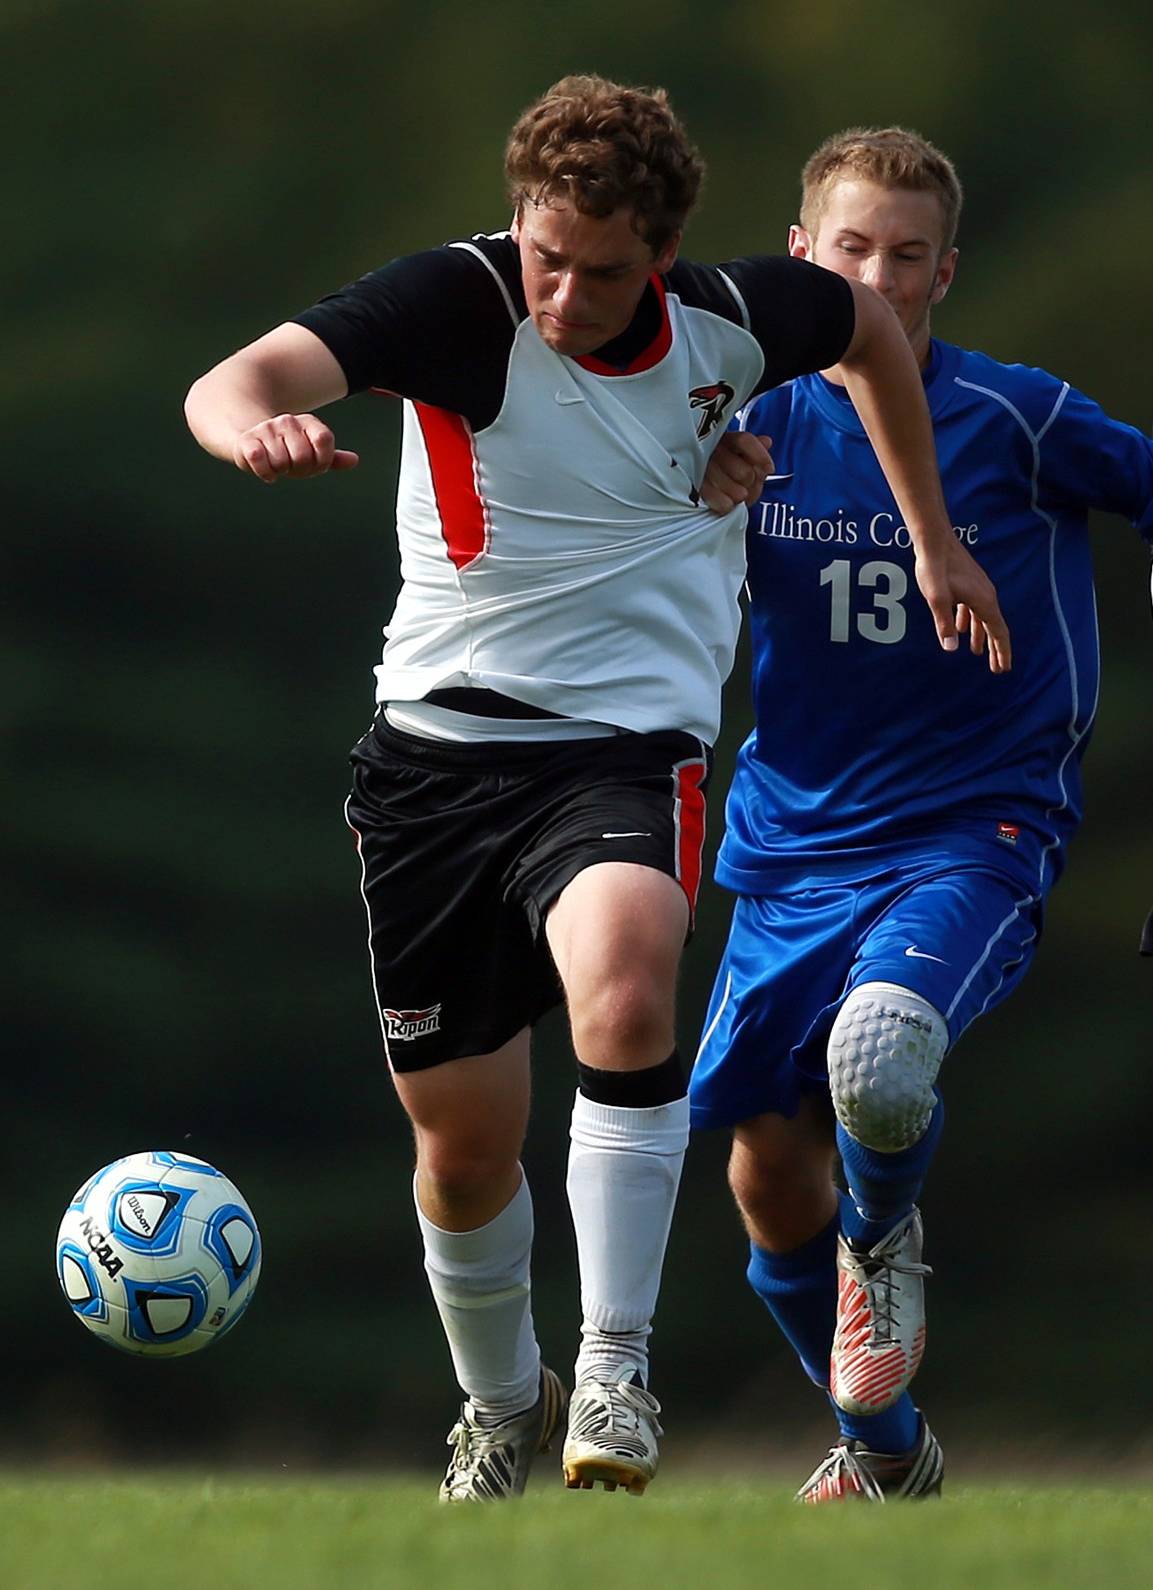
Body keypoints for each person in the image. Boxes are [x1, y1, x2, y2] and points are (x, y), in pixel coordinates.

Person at [183, 79, 1007, 1504]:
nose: (562, 294)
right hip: (433, 762)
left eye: (603, 270)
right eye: (545, 254)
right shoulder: (454, 303)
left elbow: (870, 333)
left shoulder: (731, 323)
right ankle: (503, 1404)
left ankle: (615, 1371)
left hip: (623, 749)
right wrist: (254, 429)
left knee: (625, 994)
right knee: (462, 1148)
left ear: (664, 255)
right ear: (519, 221)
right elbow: (231, 381)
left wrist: (929, 537)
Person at [691, 126, 1153, 1502]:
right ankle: (888, 1456)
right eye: (852, 251)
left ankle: (881, 1245)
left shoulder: (1016, 417)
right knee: (768, 1178)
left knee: (881, 1059)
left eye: (907, 256)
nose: (879, 280)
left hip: (975, 828)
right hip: (789, 846)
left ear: (946, 271)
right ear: (800, 257)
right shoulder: (747, 424)